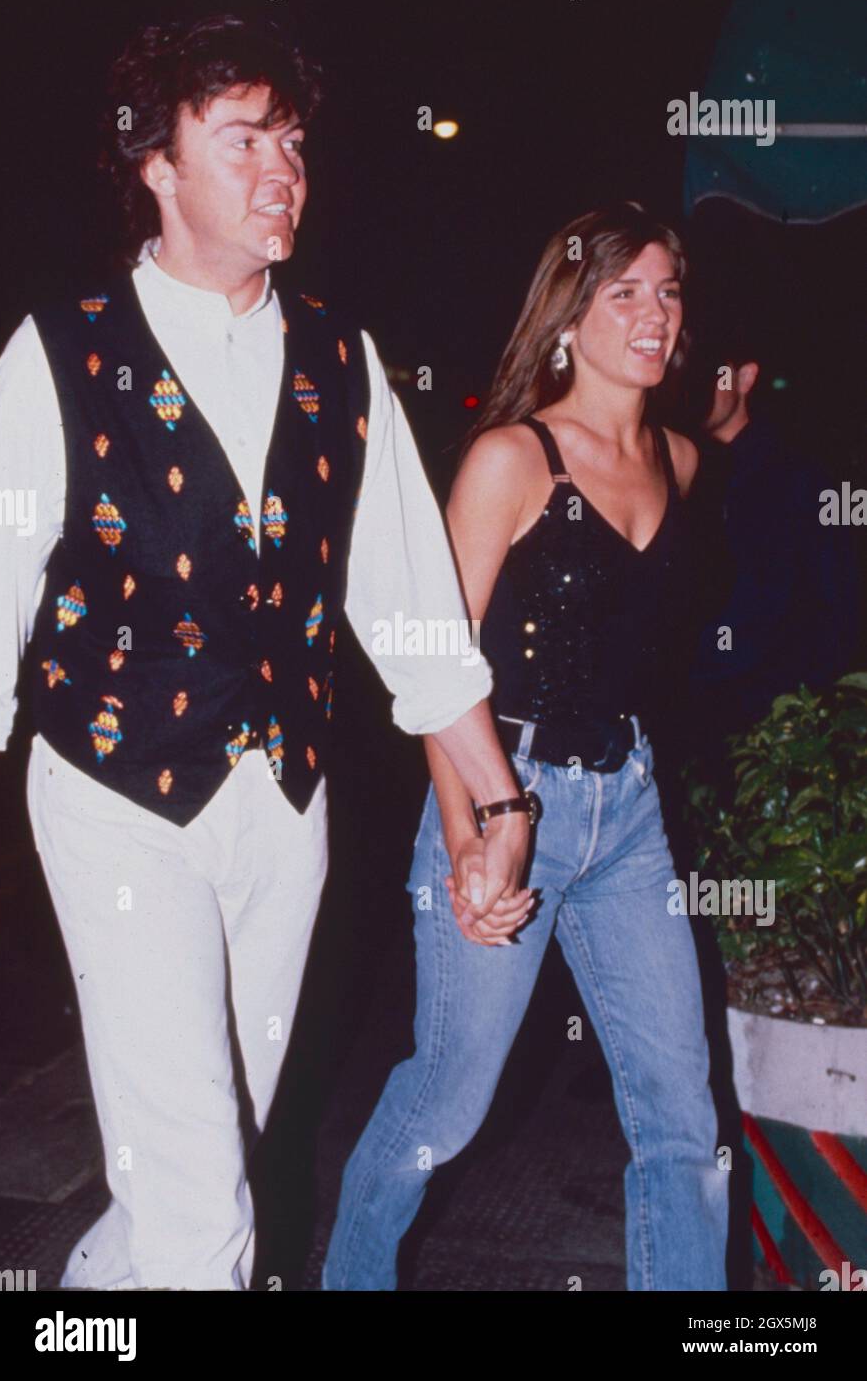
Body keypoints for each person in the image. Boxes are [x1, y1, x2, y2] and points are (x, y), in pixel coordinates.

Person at [0, 12, 535, 1290]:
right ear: (157, 168)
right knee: (200, 1218)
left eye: (290, 139)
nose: (281, 166)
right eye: (240, 139)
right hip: (119, 800)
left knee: (184, 1177)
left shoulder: (342, 361)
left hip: (284, 812)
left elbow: (410, 612)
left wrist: (492, 802)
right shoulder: (58, 355)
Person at [323, 202, 730, 1292]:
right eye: (625, 292)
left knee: (682, 1117)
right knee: (444, 1106)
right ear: (568, 316)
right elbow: (430, 658)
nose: (654, 314)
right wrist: (466, 839)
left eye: (669, 291)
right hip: (504, 792)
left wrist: (733, 417)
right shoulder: (512, 457)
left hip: (629, 815)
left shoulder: (680, 461)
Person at [689, 344, 859, 747]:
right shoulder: (675, 470)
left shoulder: (803, 473)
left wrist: (800, 708)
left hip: (775, 719)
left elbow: (839, 601)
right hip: (694, 717)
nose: (700, 387)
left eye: (717, 373)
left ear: (746, 379)